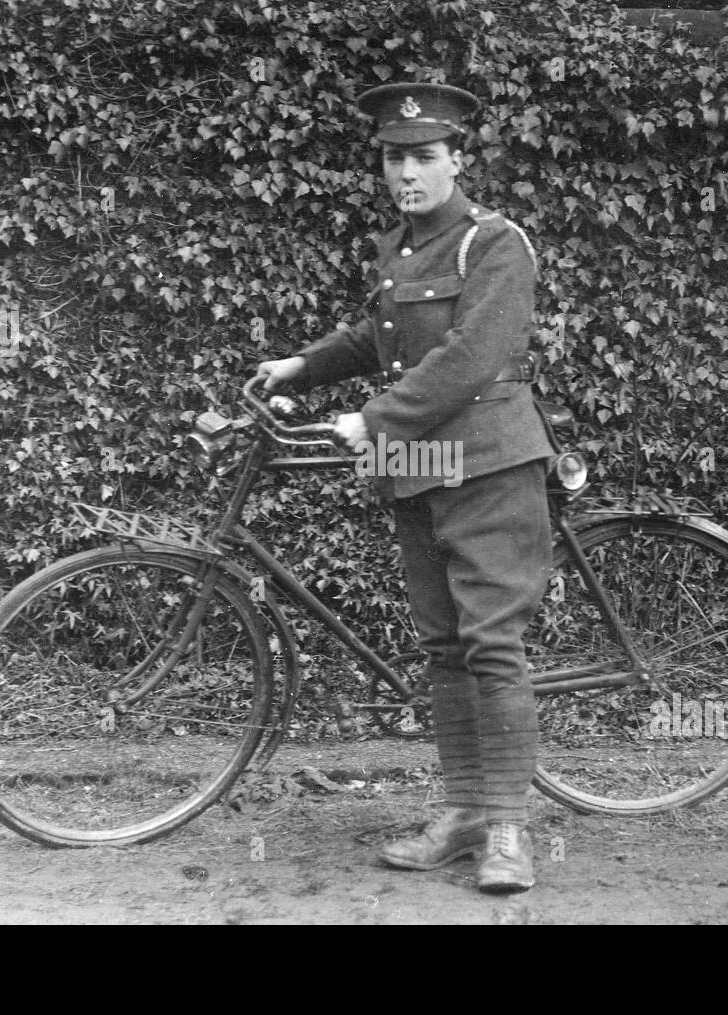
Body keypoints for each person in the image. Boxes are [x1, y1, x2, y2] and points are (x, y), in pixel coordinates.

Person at [256, 82, 554, 893]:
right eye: (394, 157)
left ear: (457, 159)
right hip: (421, 471)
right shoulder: (402, 249)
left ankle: (508, 831)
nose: (407, 172)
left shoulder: (495, 244)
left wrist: (374, 420)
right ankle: (464, 814)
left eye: (424, 156)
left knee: (492, 644)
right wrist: (305, 365)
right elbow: (378, 336)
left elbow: (471, 356)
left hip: (489, 463)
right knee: (444, 646)